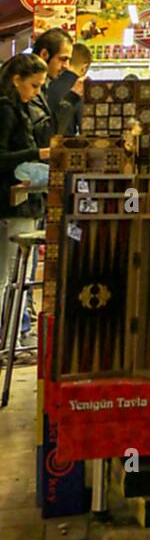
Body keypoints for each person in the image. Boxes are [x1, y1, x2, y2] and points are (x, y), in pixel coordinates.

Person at [0, 54, 50, 338]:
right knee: (10, 277)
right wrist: (37, 154)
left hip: (18, 206)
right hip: (11, 207)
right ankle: (8, 342)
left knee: (11, 277)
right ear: (16, 80)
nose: (37, 93)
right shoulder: (6, 110)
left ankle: (10, 340)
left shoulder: (18, 107)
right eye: (34, 86)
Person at [28, 28, 74, 148]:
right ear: (44, 54)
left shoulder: (44, 85)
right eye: (63, 59)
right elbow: (45, 137)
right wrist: (72, 98)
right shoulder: (28, 86)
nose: (66, 66)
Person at [44, 41, 92, 138]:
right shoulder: (80, 89)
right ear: (84, 67)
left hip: (42, 145)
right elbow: (86, 127)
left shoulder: (45, 85)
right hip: (65, 145)